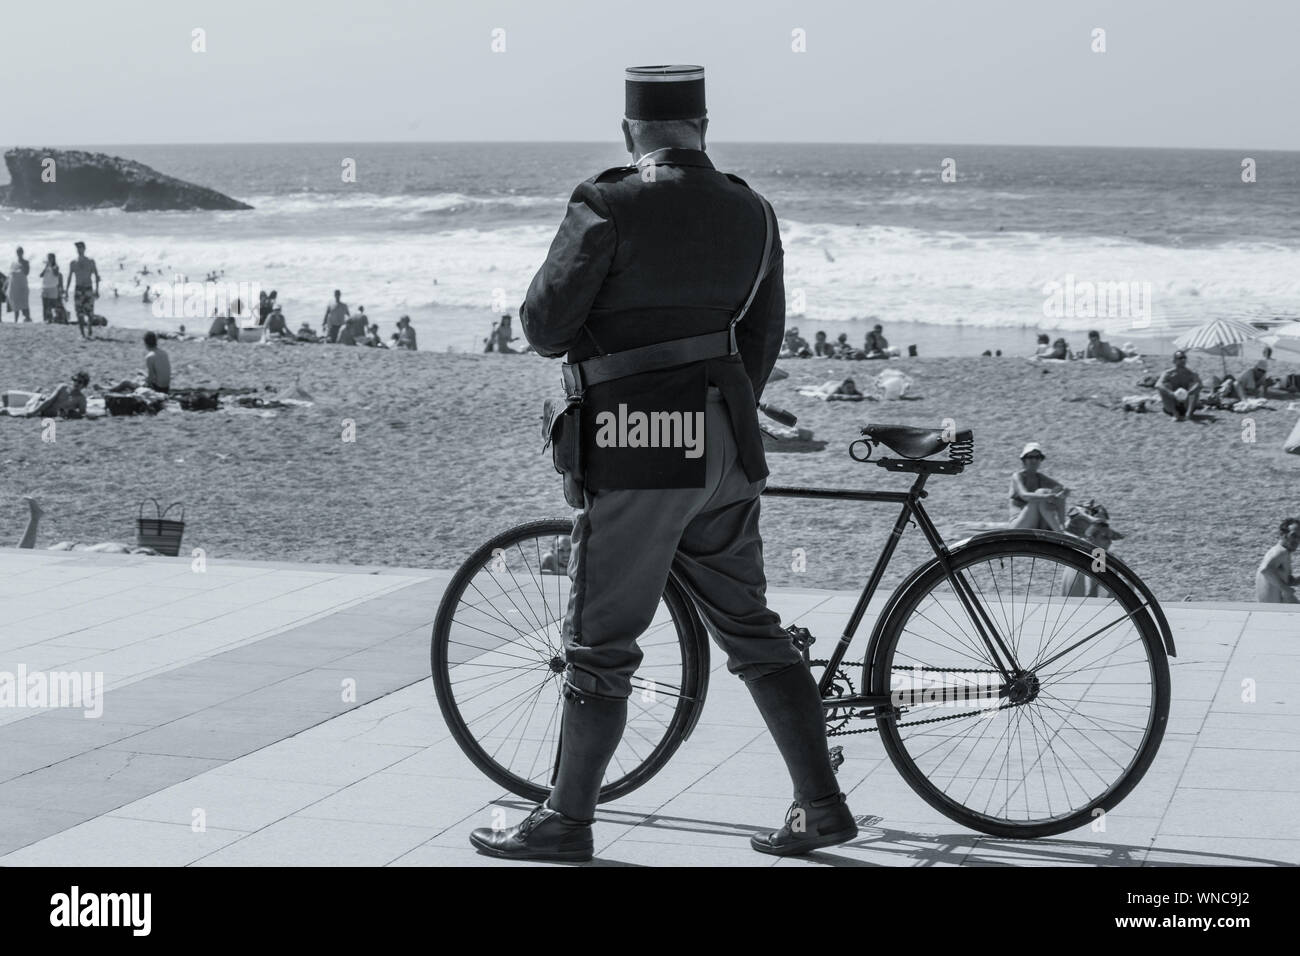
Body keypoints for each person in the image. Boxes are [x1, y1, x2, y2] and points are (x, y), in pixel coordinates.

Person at [472, 64, 856, 863]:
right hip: (727, 441)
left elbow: (544, 326)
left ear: (629, 135)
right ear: (705, 128)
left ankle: (566, 823)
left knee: (600, 641)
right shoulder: (754, 210)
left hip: (641, 444)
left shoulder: (606, 202)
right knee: (752, 630)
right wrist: (716, 415)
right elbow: (762, 338)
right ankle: (821, 807)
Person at [1061, 508, 1123, 597]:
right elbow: (1093, 592)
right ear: (1091, 539)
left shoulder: (1078, 553)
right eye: (1105, 537)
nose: (1110, 542)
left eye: (1110, 538)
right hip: (1086, 607)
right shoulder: (1097, 556)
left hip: (1068, 606)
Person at [1009, 442, 1068, 531]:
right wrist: (1046, 497)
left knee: (1058, 494)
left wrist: (1063, 493)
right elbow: (1024, 495)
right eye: (1030, 457)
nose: (1034, 461)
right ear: (1024, 460)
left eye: (1037, 458)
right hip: (1018, 524)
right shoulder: (1017, 476)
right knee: (1041, 493)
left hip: (1036, 521)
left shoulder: (1041, 478)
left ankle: (1062, 525)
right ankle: (1059, 532)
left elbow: (1060, 488)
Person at [1255, 519, 1300, 604]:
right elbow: (1266, 570)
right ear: (1282, 534)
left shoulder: (1277, 552)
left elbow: (1289, 581)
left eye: (1299, 537)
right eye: (1294, 536)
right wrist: (1285, 589)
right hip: (1278, 609)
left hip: (1269, 608)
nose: (1297, 541)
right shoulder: (1281, 552)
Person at [65, 242, 100, 339]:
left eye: (80, 248)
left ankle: (89, 329)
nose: (79, 250)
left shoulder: (90, 261)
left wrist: (97, 290)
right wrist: (66, 291)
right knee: (79, 312)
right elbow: (69, 277)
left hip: (88, 288)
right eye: (77, 248)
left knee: (90, 313)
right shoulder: (73, 263)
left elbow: (96, 276)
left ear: (84, 249)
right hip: (78, 289)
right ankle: (82, 334)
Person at [1156, 350, 1203, 421]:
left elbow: (1200, 384)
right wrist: (1171, 393)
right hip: (1172, 404)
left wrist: (1190, 391)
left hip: (1186, 404)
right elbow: (1158, 384)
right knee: (1165, 385)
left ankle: (1188, 414)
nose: (1183, 360)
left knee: (1194, 386)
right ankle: (1175, 413)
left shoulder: (1190, 373)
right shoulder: (1168, 373)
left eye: (1184, 358)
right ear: (1174, 360)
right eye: (1180, 358)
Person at [7, 247, 31, 322]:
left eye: (20, 252)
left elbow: (26, 273)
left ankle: (28, 318)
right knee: (16, 304)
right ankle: (16, 321)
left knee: (24, 303)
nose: (19, 253)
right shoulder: (13, 262)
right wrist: (6, 285)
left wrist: (22, 266)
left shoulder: (26, 262)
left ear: (22, 253)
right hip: (14, 286)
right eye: (18, 252)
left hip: (22, 286)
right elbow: (10, 274)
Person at [40, 254, 64, 323]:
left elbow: (55, 274)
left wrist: (50, 265)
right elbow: (41, 275)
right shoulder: (46, 267)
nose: (49, 259)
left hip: (53, 288)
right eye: (48, 258)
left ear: (53, 259)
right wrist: (46, 267)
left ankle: (52, 319)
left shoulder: (56, 267)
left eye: (50, 258)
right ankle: (45, 319)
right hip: (45, 287)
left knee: (52, 305)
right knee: (45, 305)